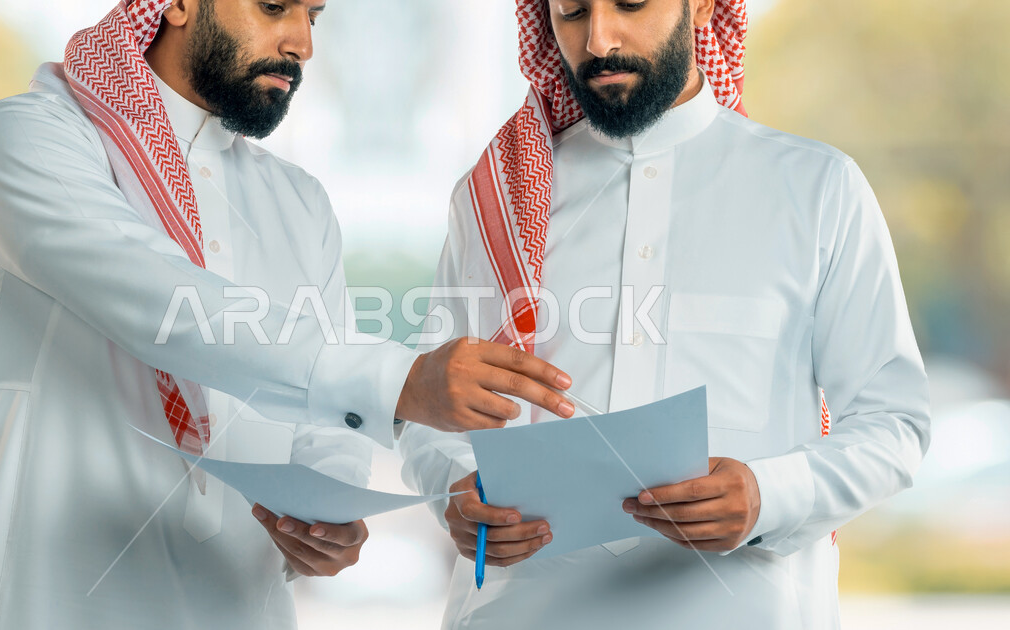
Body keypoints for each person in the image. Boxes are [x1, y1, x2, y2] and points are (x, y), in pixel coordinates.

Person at [0, 1, 577, 628]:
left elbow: (326, 429)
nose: (303, 43)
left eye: (313, 15)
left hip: (233, 605)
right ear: (175, 4)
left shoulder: (296, 201)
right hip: (36, 597)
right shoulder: (29, 139)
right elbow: (167, 306)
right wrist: (400, 380)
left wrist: (324, 520)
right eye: (273, 7)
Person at [399, 0, 931, 627]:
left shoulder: (816, 189)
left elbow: (894, 423)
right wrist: (458, 496)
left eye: (630, 4)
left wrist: (767, 497)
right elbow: (429, 411)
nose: (599, 39)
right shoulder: (498, 201)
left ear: (704, 6)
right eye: (571, 13)